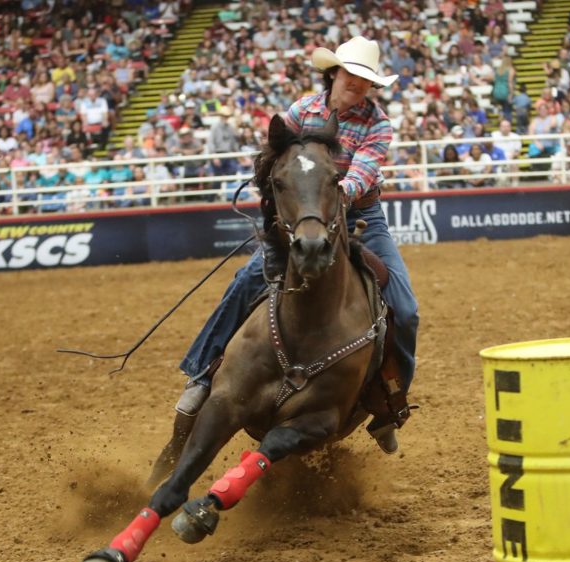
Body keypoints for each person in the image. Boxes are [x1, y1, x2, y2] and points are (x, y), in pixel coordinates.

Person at [175, 37, 419, 454]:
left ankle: (388, 403)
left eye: (365, 79)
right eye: (351, 74)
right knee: (246, 279)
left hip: (360, 215)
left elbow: (362, 173)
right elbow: (275, 158)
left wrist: (333, 198)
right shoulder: (301, 110)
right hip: (304, 217)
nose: (357, 83)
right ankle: (202, 376)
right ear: (334, 73)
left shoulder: (377, 124)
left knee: (406, 308)